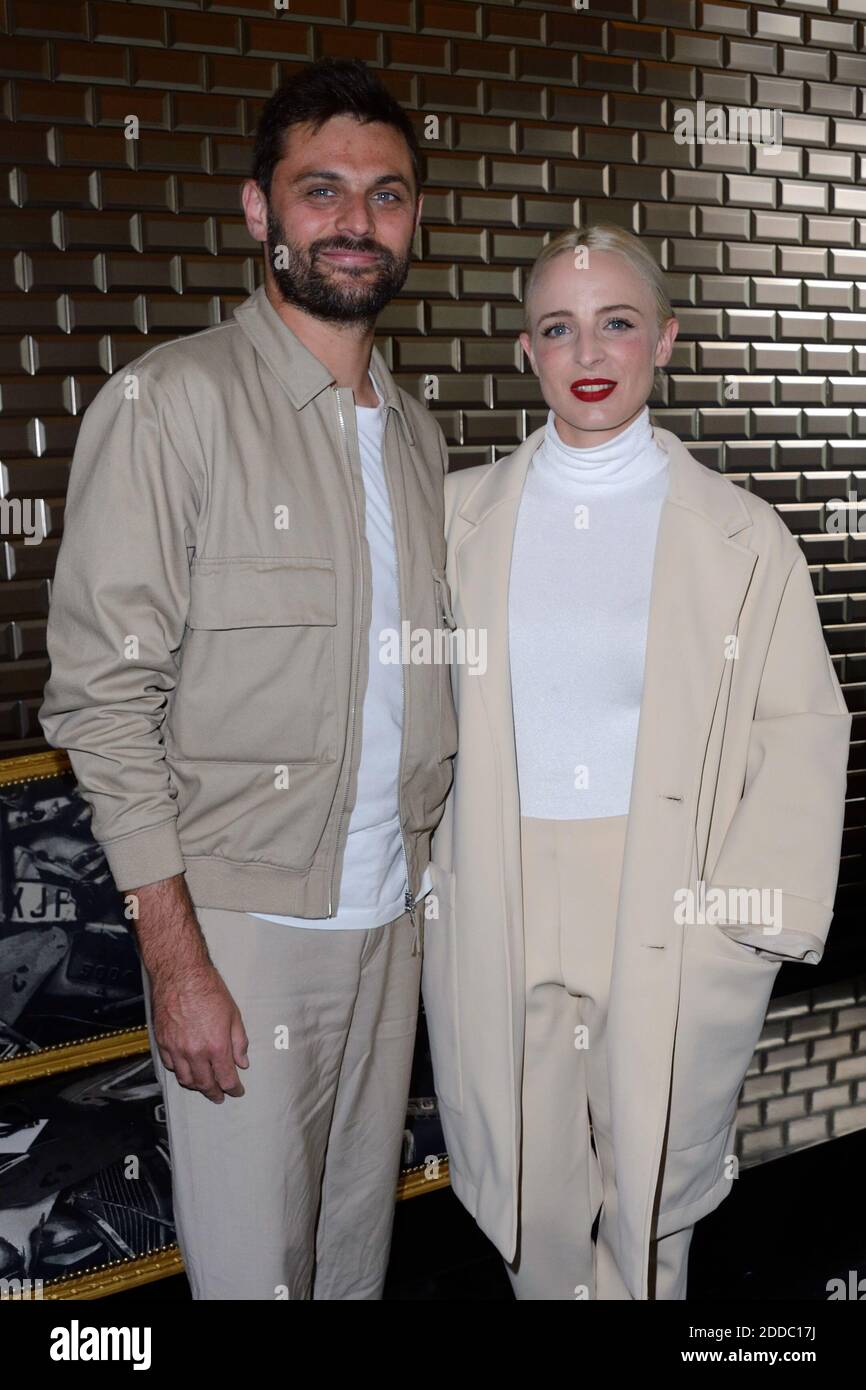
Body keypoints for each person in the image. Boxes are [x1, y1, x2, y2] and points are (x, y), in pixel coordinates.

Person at [39, 58, 457, 1300]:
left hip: (390, 917)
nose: (353, 220)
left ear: (413, 221)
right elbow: (101, 702)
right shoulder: (171, 406)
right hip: (245, 937)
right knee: (253, 1283)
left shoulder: (415, 432)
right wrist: (178, 964)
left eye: (384, 195)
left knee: (349, 1267)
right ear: (258, 214)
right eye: (319, 190)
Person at [421, 223, 852, 1300]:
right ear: (525, 351)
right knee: (530, 1199)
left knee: (652, 1204)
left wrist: (737, 925)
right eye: (558, 329)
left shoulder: (742, 535)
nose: (588, 350)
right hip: (500, 888)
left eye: (615, 322)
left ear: (662, 340)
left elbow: (799, 724)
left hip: (665, 893)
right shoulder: (452, 519)